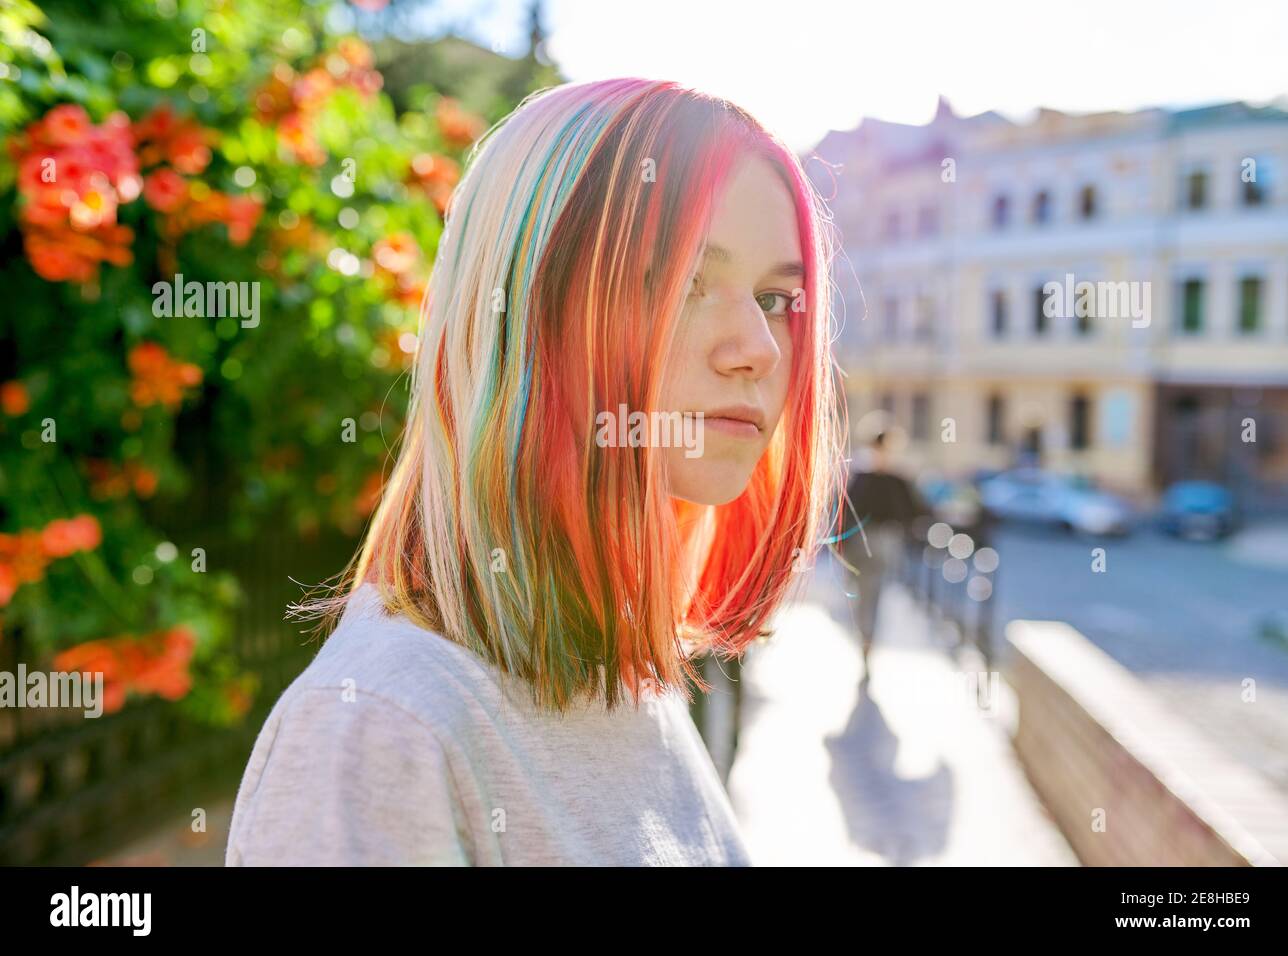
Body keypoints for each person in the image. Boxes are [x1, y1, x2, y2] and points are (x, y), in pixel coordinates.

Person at [225, 78, 843, 866]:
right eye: (687, 281)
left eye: (776, 296)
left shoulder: (623, 667)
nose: (759, 347)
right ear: (529, 310)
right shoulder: (381, 727)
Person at [837, 411, 927, 684]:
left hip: (871, 545)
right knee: (866, 596)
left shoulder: (872, 477)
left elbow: (845, 512)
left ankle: (866, 640)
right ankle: (866, 640)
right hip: (870, 545)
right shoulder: (878, 478)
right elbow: (914, 514)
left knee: (866, 596)